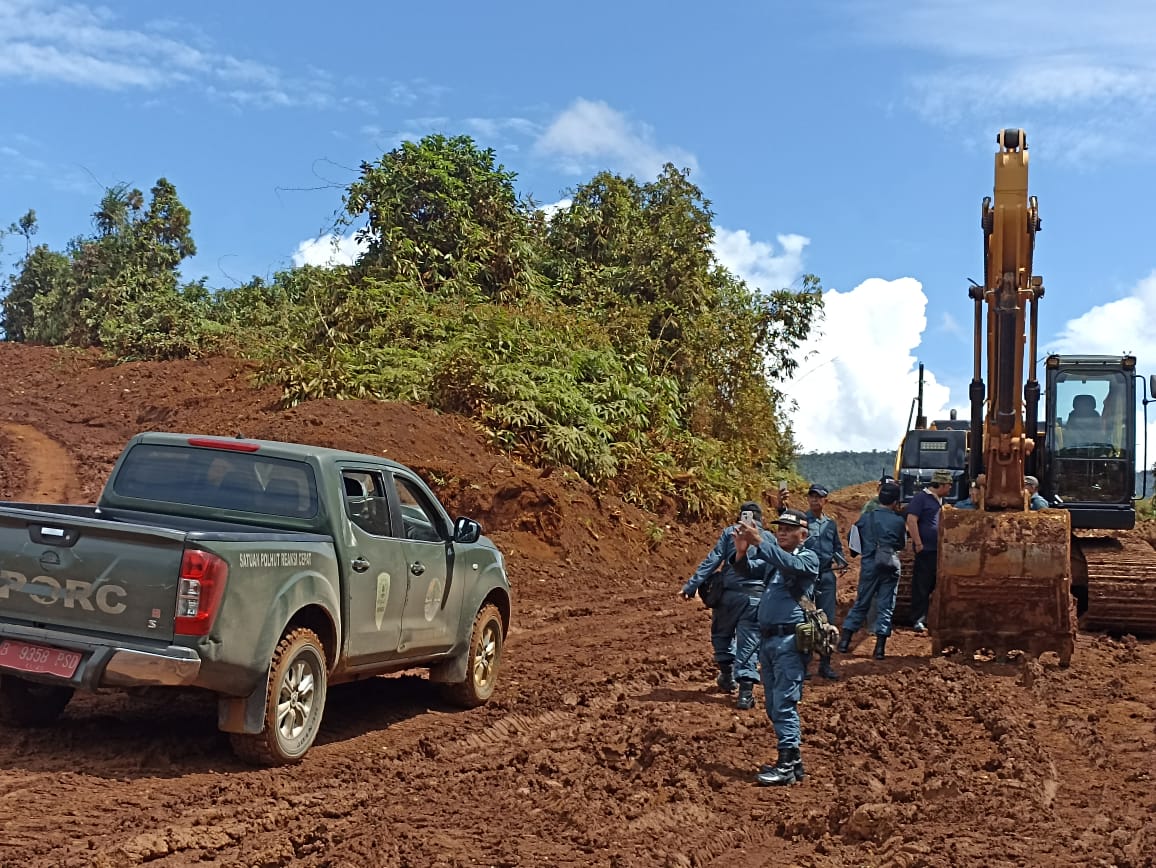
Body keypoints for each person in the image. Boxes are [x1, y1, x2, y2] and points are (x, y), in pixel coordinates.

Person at [731, 509, 820, 786]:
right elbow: (749, 571)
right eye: (779, 527)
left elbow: (786, 563)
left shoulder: (808, 558)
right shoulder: (774, 560)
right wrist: (741, 552)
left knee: (783, 703)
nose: (781, 532)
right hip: (769, 640)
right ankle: (792, 762)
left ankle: (786, 764)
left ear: (802, 535)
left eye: (788, 529)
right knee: (772, 704)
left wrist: (759, 542)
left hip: (790, 641)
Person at [680, 501, 768, 709]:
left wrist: (692, 585)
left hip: (728, 597)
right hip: (755, 599)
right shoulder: (768, 538)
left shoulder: (731, 533)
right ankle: (745, 694)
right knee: (749, 642)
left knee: (721, 635)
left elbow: (713, 560)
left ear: (742, 517)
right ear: (760, 518)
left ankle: (727, 677)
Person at [838, 481, 907, 658]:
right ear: (895, 502)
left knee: (862, 602)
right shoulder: (898, 521)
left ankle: (844, 641)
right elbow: (901, 544)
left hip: (869, 565)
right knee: (886, 605)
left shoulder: (866, 518)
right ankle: (879, 649)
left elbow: (853, 539)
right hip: (890, 565)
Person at [803, 484, 844, 680]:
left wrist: (841, 560)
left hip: (827, 575)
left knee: (827, 621)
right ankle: (803, 666)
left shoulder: (831, 524)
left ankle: (825, 665)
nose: (814, 500)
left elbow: (836, 547)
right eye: (811, 497)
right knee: (805, 620)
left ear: (825, 500)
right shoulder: (801, 521)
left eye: (818, 497)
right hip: (807, 577)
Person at [906, 468, 953, 633]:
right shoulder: (921, 499)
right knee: (922, 585)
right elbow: (911, 520)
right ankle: (918, 619)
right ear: (940, 485)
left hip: (939, 551)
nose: (950, 488)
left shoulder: (938, 501)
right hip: (926, 550)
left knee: (936, 585)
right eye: (948, 485)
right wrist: (918, 544)